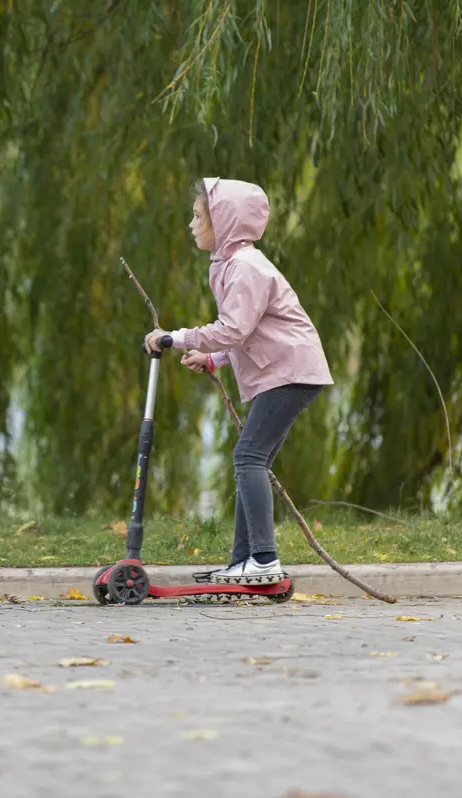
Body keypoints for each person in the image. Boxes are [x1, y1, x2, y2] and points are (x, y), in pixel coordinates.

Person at [143, 177, 333, 585]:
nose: (191, 224)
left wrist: (175, 338)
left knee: (248, 457)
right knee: (254, 459)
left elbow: (233, 328)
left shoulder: (246, 267)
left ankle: (263, 560)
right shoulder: (231, 265)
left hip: (291, 371)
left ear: (223, 221)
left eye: (198, 217)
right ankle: (243, 562)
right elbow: (246, 332)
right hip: (286, 370)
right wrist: (213, 358)